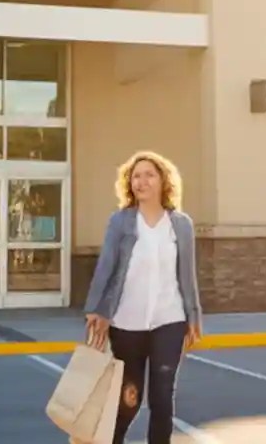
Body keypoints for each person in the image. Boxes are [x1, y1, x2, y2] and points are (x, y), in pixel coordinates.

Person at [82, 150, 204, 444]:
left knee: (162, 399)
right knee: (129, 400)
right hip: (126, 323)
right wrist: (96, 309)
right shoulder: (121, 221)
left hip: (169, 320)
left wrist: (193, 315)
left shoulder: (181, 225)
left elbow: (187, 274)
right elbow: (106, 265)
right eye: (136, 175)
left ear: (163, 181)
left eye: (149, 174)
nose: (142, 181)